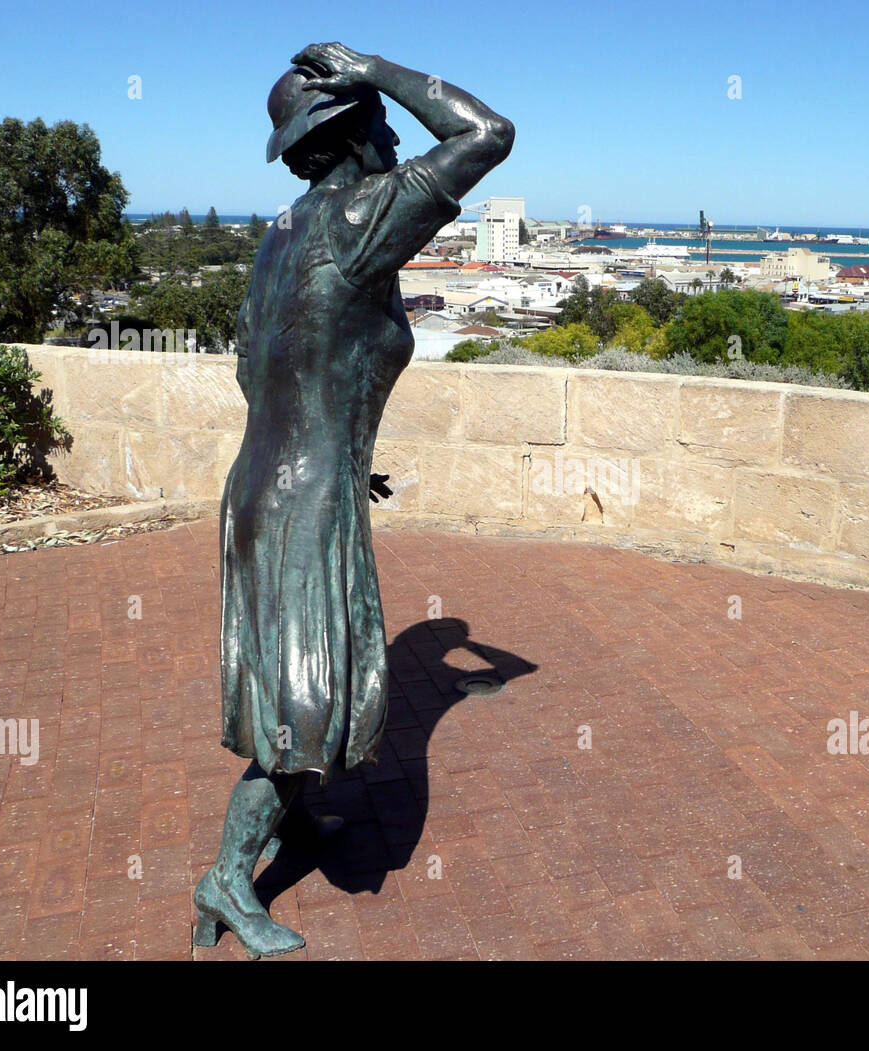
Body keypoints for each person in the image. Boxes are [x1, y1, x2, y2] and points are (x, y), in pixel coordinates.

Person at [192, 42, 514, 958]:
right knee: (307, 704)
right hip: (305, 499)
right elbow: (488, 133)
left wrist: (336, 447)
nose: (387, 132)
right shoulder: (362, 215)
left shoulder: (283, 232)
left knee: (293, 686)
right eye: (375, 119)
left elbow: (259, 366)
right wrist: (376, 68)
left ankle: (291, 827)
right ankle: (225, 876)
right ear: (354, 132)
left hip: (261, 483)